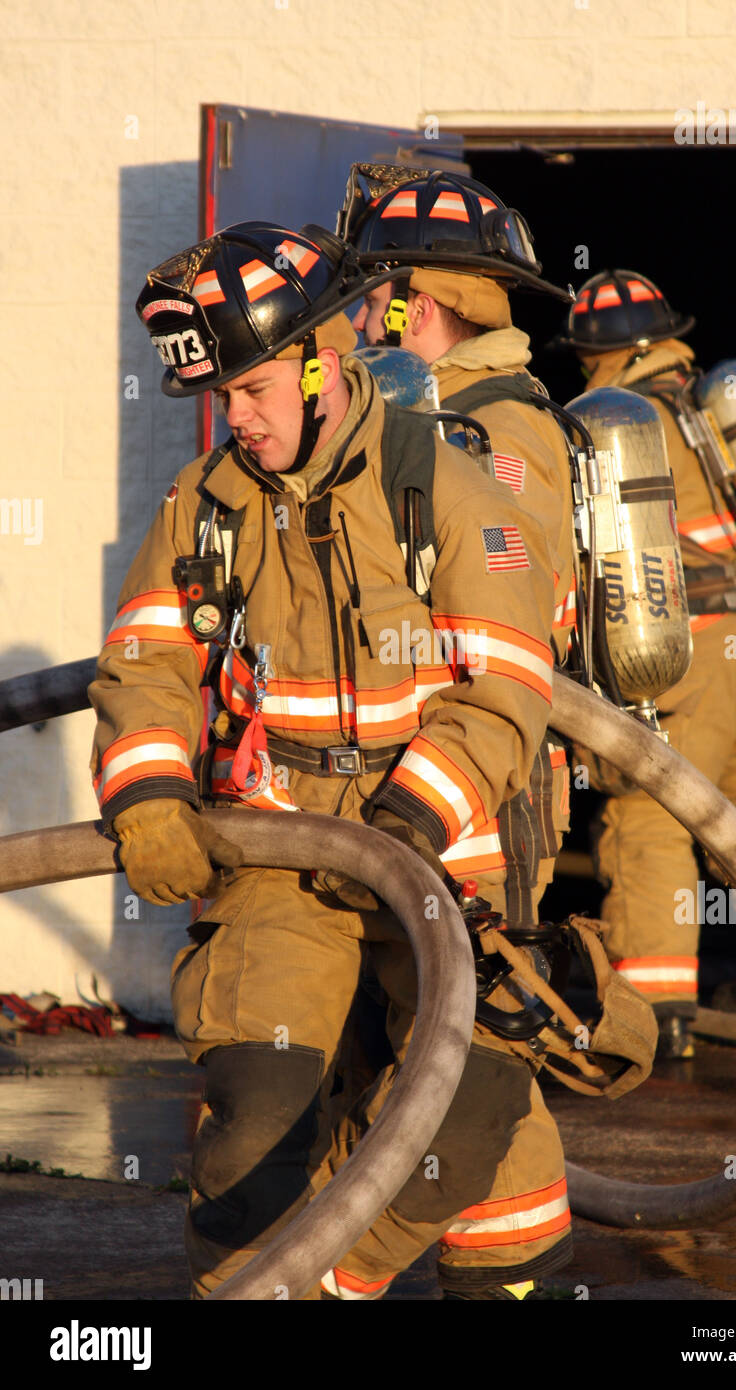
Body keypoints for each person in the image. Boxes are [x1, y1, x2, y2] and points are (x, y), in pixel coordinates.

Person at [88, 220, 572, 1299]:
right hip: (277, 848)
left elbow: (505, 691)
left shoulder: (450, 496)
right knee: (256, 1122)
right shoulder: (206, 506)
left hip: (439, 848)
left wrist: (406, 827)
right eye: (222, 400)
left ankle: (314, 1285)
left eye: (252, 388)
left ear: (321, 361)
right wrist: (153, 794)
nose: (238, 419)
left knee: (470, 1109)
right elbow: (145, 660)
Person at [557, 269, 736, 1058]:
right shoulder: (714, 403)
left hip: (686, 651)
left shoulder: (614, 420)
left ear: (595, 354)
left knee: (650, 818)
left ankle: (656, 1010)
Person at [343, 164, 577, 927]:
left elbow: (520, 616)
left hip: (481, 790)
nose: (357, 325)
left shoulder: (498, 431)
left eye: (372, 302)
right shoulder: (435, 417)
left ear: (416, 310)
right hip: (416, 771)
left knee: (474, 1026)